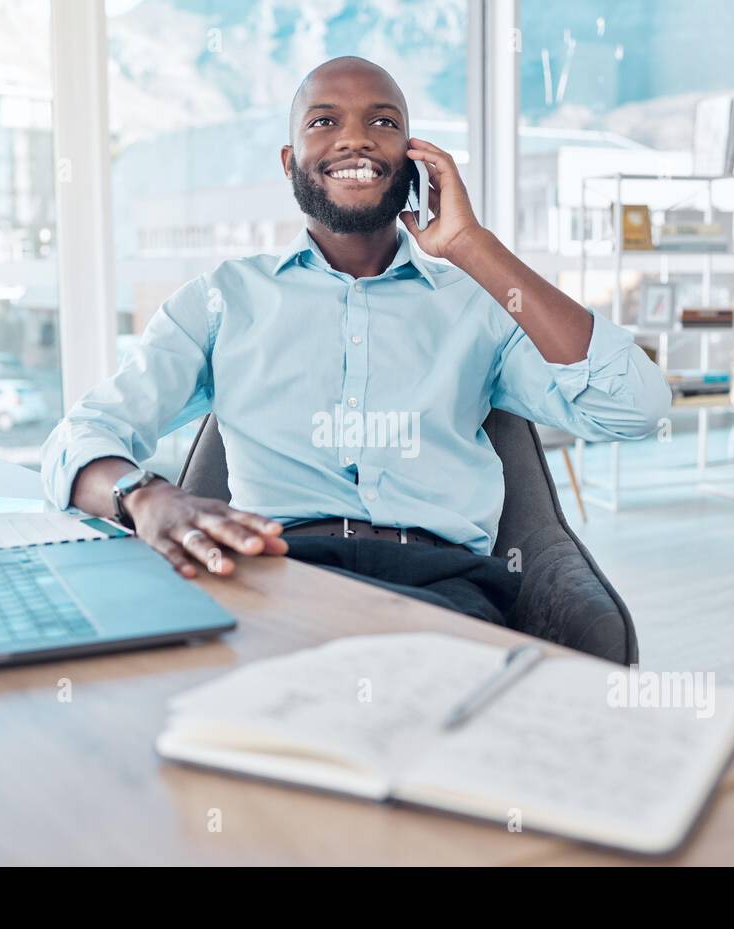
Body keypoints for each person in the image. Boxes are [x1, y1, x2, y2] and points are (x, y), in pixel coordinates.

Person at [40, 56, 670, 628]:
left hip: (444, 589)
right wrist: (145, 498)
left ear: (415, 157)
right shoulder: (222, 299)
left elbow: (635, 408)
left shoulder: (480, 305)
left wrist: (472, 247)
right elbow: (81, 435)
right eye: (323, 121)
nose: (354, 138)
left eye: (382, 121)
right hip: (278, 574)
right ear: (291, 161)